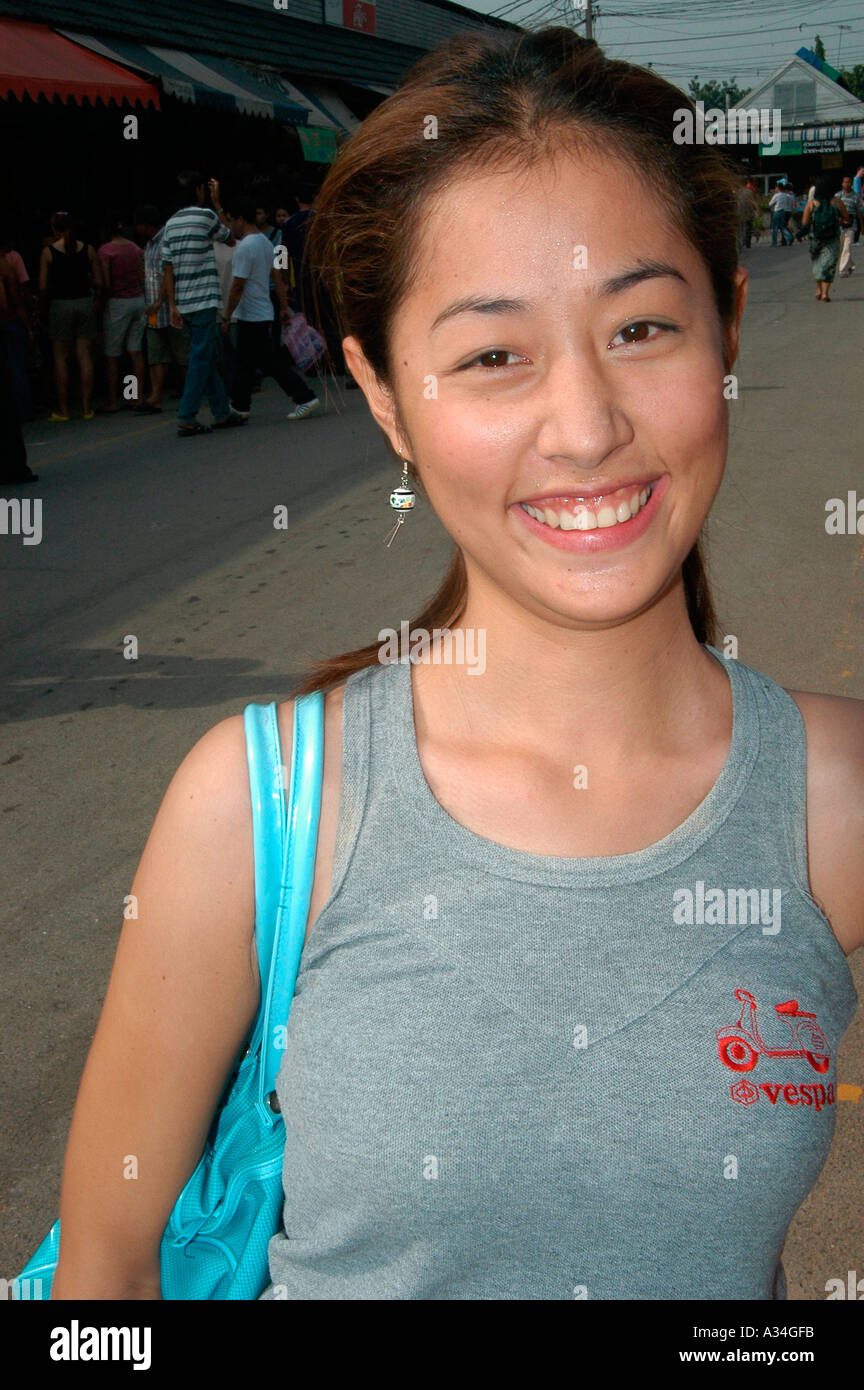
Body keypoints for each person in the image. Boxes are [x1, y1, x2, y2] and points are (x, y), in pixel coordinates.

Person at [48, 26, 864, 1303]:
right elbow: (102, 1292)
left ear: (729, 331)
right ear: (384, 396)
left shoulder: (834, 797)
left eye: (643, 326)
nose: (587, 426)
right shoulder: (259, 808)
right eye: (493, 355)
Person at [161, 171, 247, 438]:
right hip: (204, 299)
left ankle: (222, 412)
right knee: (200, 358)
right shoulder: (206, 216)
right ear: (199, 190)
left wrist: (173, 305)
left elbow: (167, 267)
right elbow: (230, 238)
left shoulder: (171, 224)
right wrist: (218, 203)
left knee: (205, 357)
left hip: (184, 301)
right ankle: (186, 416)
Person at [223, 196, 321, 422]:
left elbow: (237, 286)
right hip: (262, 309)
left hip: (250, 313)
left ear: (239, 219)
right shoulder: (264, 242)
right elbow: (276, 275)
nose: (229, 227)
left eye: (230, 221)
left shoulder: (245, 247)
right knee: (248, 361)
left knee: (266, 361)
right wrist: (284, 305)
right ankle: (240, 406)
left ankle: (304, 397)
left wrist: (227, 315)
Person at [38, 212, 101, 421]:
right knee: (85, 356)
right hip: (84, 302)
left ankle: (63, 410)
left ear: (54, 229)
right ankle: (86, 408)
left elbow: (42, 286)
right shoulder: (88, 249)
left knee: (60, 358)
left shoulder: (48, 253)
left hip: (60, 305)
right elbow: (99, 282)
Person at [133, 204, 189, 414]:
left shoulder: (166, 239)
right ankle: (155, 396)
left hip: (169, 307)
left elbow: (169, 272)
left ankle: (191, 392)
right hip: (154, 310)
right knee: (156, 355)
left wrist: (160, 301)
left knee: (182, 353)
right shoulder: (149, 244)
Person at [97, 214, 146, 412]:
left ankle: (112, 401)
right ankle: (134, 396)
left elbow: (106, 283)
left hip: (118, 302)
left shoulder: (106, 251)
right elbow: (142, 276)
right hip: (138, 300)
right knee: (134, 350)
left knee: (112, 353)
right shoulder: (135, 248)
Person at [0, 265, 37, 482]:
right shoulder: (5, 267)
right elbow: (7, 302)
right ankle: (13, 466)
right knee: (7, 400)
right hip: (5, 329)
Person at [802, 176, 849, 301]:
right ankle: (825, 293)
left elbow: (805, 222)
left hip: (815, 238)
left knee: (817, 264)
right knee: (829, 265)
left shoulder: (811, 203)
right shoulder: (837, 202)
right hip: (833, 238)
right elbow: (846, 219)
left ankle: (818, 289)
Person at [835, 175, 863, 277]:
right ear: (842, 184)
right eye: (846, 182)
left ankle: (842, 270)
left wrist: (862, 227)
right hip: (840, 226)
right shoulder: (838, 196)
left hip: (852, 226)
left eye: (849, 182)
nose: (848, 184)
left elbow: (859, 212)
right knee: (842, 248)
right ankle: (850, 265)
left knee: (847, 247)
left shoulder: (856, 196)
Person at [768, 180, 794, 246]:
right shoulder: (786, 195)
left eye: (776, 187)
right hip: (783, 212)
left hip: (777, 211)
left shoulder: (776, 195)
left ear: (778, 188)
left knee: (775, 228)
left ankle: (774, 243)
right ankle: (789, 237)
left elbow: (770, 204)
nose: (775, 189)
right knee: (782, 227)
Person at [736, 178, 757, 251]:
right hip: (748, 213)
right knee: (748, 228)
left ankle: (740, 243)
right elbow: (753, 202)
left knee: (740, 229)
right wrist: (755, 210)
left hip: (738, 213)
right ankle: (747, 243)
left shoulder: (737, 192)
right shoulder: (749, 192)